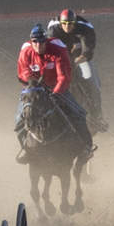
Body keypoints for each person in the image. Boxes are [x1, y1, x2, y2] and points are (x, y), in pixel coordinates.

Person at [15, 24, 94, 160]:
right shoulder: (26, 50)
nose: (38, 45)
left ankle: (86, 146)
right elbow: (22, 71)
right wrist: (32, 82)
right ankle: (26, 151)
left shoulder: (58, 49)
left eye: (41, 42)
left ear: (46, 41)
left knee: (79, 113)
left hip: (56, 88)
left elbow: (64, 76)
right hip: (33, 89)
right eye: (35, 42)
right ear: (31, 41)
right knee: (19, 120)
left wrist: (56, 93)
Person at [46, 7, 105, 132]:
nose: (67, 27)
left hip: (80, 57)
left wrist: (75, 62)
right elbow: (50, 52)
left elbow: (87, 53)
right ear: (60, 23)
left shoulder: (85, 28)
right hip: (61, 58)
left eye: (70, 24)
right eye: (64, 24)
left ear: (75, 23)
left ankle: (97, 116)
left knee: (92, 81)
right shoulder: (53, 29)